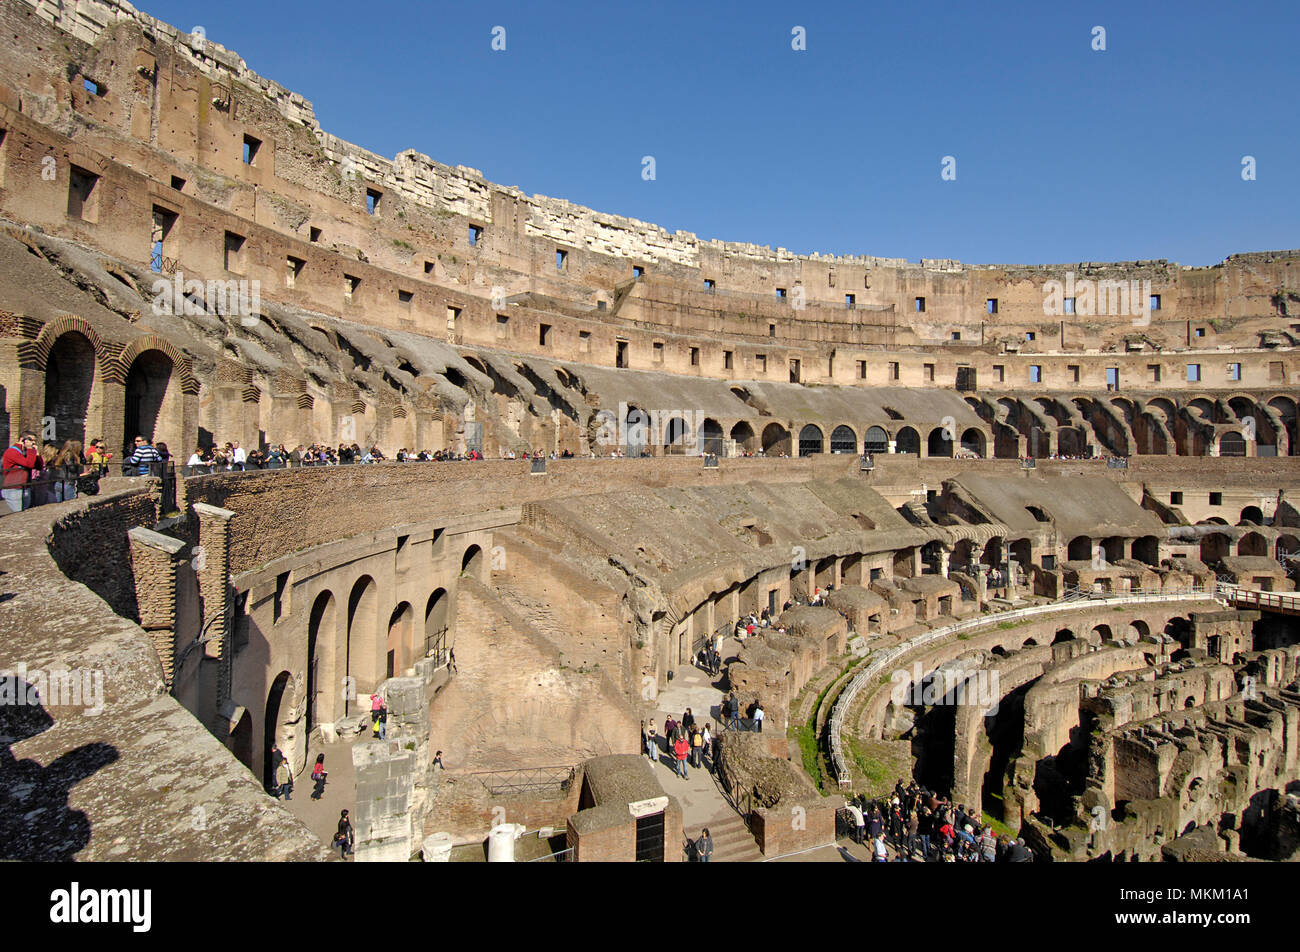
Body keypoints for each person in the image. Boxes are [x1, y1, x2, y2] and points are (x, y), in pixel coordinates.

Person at [2, 433, 39, 512]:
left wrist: (37, 453)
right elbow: (29, 464)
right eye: (31, 440)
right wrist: (30, 450)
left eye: (34, 441)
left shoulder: (27, 452)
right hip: (14, 488)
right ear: (22, 439)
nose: (33, 443)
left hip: (25, 487)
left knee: (25, 514)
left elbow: (39, 466)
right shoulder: (12, 451)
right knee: (19, 515)